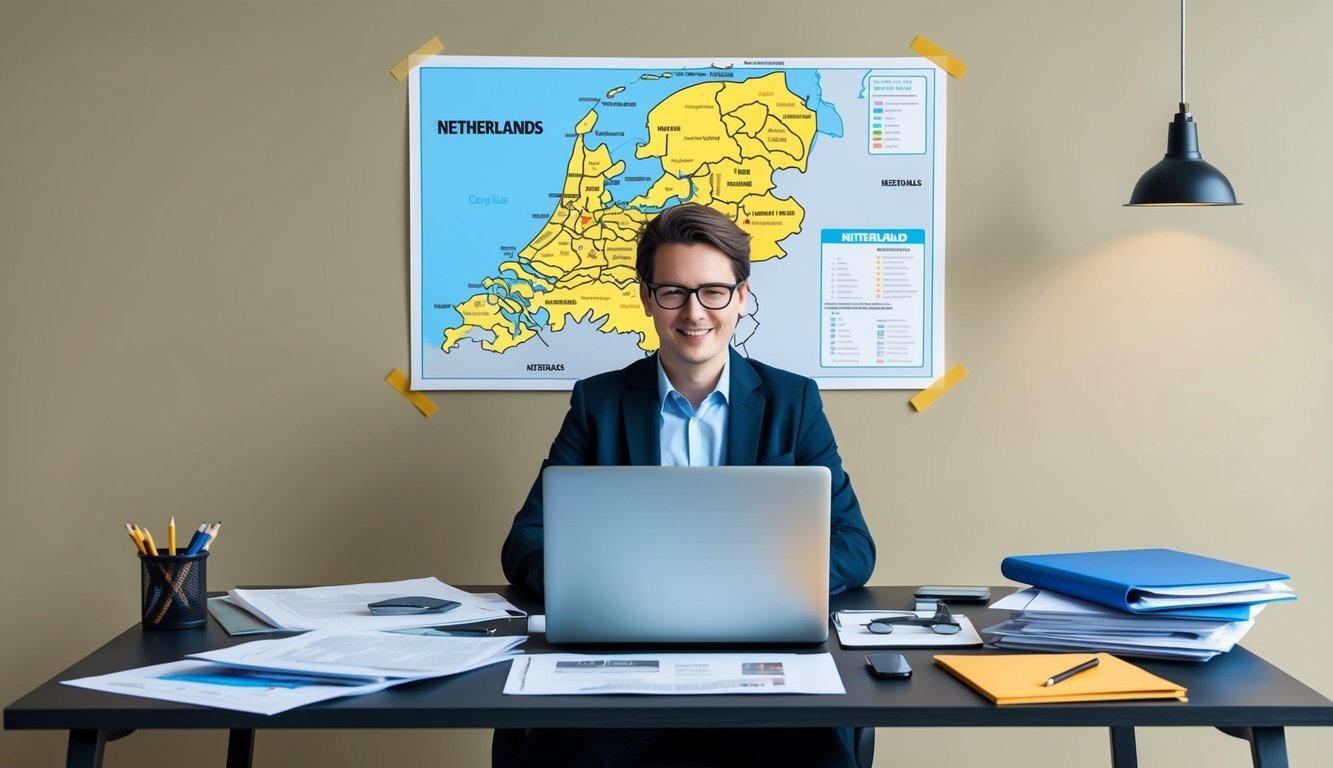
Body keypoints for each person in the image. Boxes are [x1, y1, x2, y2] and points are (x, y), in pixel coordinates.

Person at [499, 203, 876, 768]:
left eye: (713, 292)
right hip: (622, 666)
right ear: (648, 299)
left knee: (822, 756)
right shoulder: (598, 403)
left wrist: (764, 589)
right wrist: (600, 590)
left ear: (741, 297)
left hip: (760, 664)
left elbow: (853, 543)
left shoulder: (792, 401)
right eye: (673, 292)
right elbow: (526, 540)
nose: (694, 312)